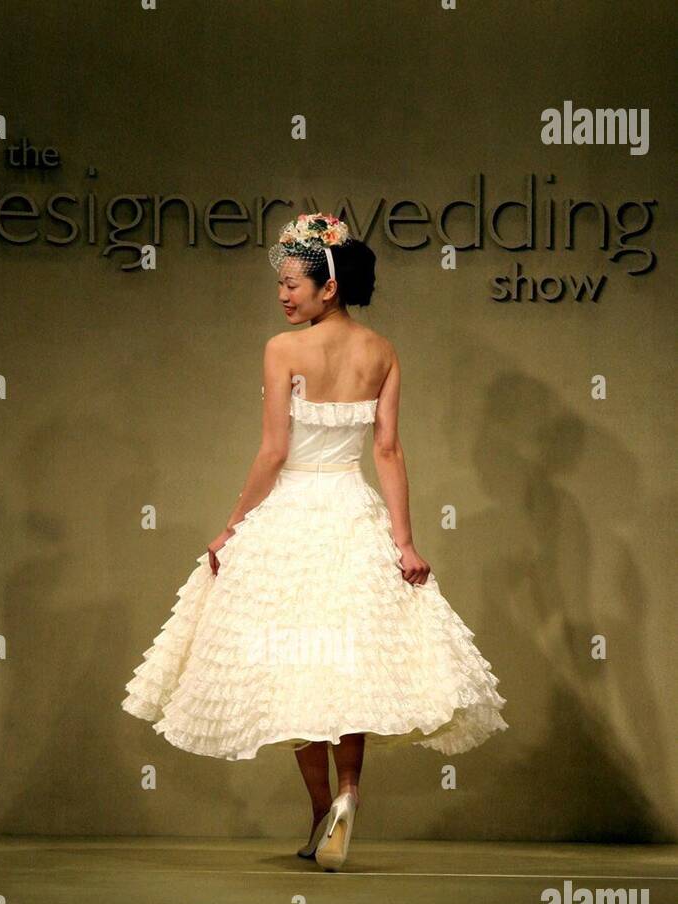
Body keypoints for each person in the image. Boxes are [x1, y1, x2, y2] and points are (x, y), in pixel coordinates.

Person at [121, 214, 508, 870]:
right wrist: (404, 542)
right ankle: (348, 796)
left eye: (291, 283)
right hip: (352, 516)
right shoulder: (381, 352)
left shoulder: (283, 350)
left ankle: (317, 811)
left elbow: (273, 452)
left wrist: (231, 524)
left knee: (295, 667)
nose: (281, 294)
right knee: (344, 669)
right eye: (280, 284)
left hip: (293, 515)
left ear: (328, 287)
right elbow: (386, 450)